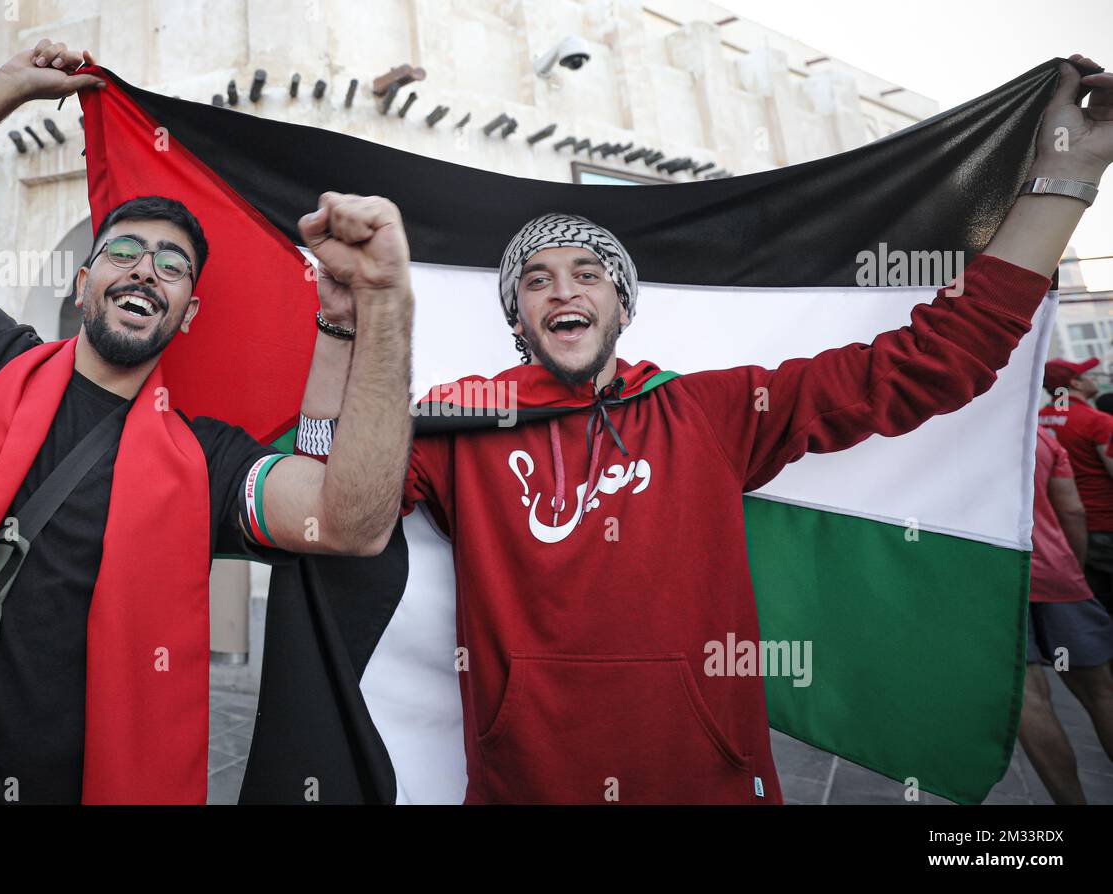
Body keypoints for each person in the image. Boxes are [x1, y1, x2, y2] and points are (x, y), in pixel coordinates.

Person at [304, 55, 1113, 803]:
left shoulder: (713, 411)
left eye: (588, 274)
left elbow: (935, 362)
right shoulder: (459, 417)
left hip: (710, 780)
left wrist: (1068, 177)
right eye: (537, 281)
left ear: (622, 304)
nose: (562, 291)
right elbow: (328, 498)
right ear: (517, 314)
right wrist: (344, 328)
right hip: (525, 783)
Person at [0, 39, 414, 804]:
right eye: (123, 251)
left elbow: (349, 521)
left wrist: (379, 309)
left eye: (172, 266)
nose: (145, 270)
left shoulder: (205, 461)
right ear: (84, 278)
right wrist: (4, 90)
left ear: (188, 313)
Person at [1016, 425, 1113, 804]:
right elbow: (1072, 509)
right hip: (1057, 574)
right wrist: (1073, 567)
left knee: (1027, 696)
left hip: (993, 581)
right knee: (1100, 691)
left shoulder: (954, 435)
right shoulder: (1040, 437)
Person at [1040, 357, 1113, 616]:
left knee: (1094, 605)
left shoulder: (1037, 423)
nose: (1094, 378)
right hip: (1105, 527)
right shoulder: (1098, 421)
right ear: (1075, 383)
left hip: (1063, 532)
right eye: (1087, 374)